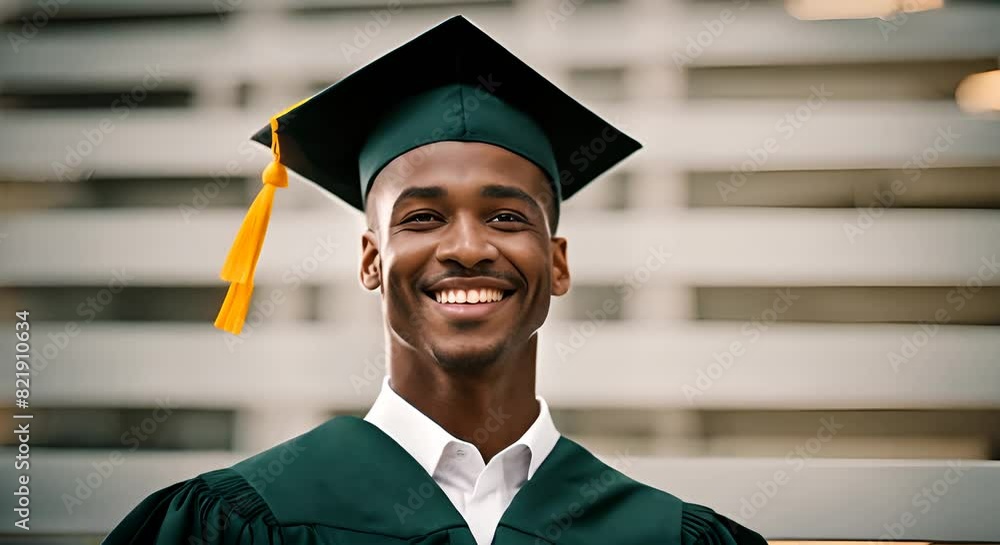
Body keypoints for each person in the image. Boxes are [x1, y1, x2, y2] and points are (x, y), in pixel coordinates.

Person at [103, 15, 766, 545]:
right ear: (370, 259)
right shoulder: (232, 523)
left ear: (558, 262)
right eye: (422, 216)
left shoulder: (666, 534)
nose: (469, 247)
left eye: (506, 216)